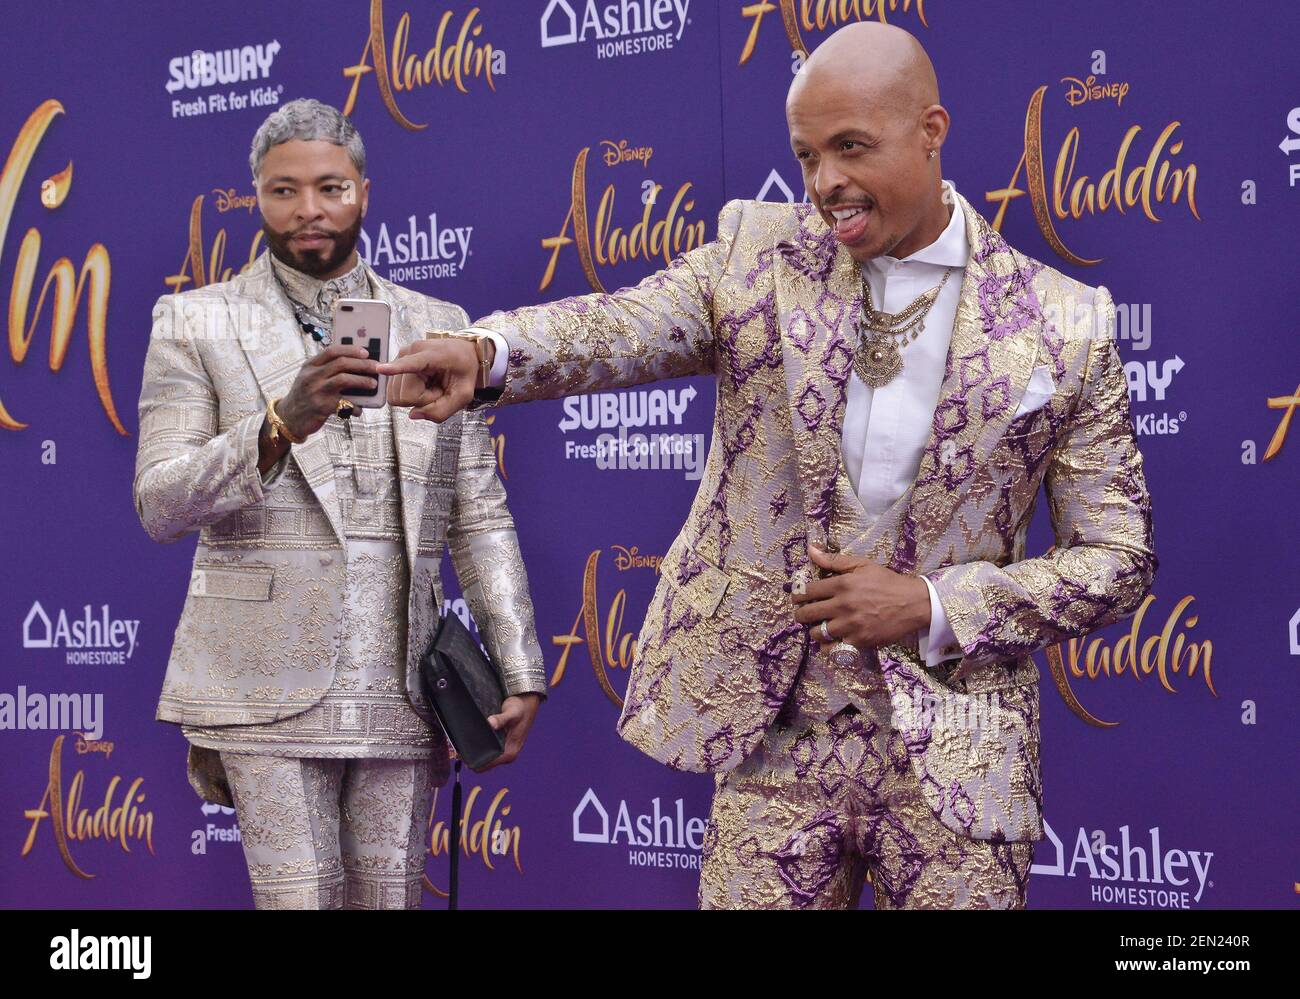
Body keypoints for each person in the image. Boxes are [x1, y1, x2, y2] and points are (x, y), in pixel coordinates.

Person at [380, 23, 1156, 909]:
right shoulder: (758, 255)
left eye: (851, 147)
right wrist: (489, 354)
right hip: (774, 732)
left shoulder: (1064, 321)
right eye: (807, 155)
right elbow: (624, 326)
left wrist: (934, 604)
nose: (826, 183)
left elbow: (1118, 559)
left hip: (962, 750)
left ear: (931, 130)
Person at [133, 98, 545, 909]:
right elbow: (159, 501)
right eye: (283, 191)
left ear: (364, 189)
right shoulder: (196, 320)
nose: (308, 212)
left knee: (389, 900)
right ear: (255, 195)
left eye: (329, 188)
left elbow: (477, 511)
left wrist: (520, 665)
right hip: (262, 680)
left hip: (402, 677)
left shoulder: (438, 326)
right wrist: (280, 424)